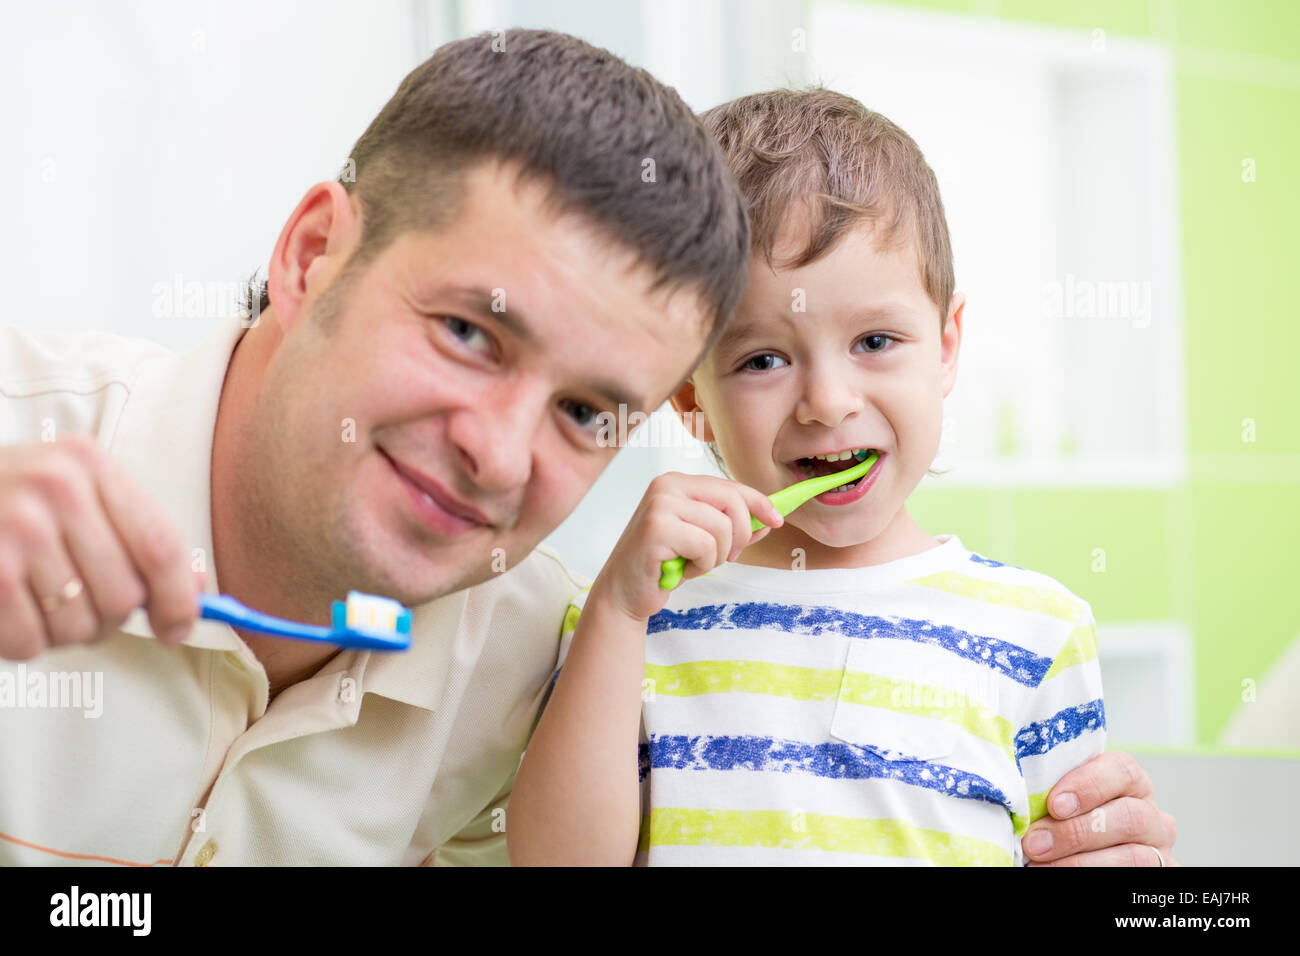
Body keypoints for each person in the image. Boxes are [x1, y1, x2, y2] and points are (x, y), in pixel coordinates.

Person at [0, 32, 1173, 866]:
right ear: (312, 254)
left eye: (587, 411)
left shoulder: (521, 661)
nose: (500, 456)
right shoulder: (18, 430)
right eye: (469, 331)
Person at [509, 89, 1171, 866]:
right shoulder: (629, 619)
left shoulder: (1037, 631)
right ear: (691, 399)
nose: (828, 402)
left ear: (947, 345)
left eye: (876, 340)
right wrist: (618, 618)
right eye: (763, 360)